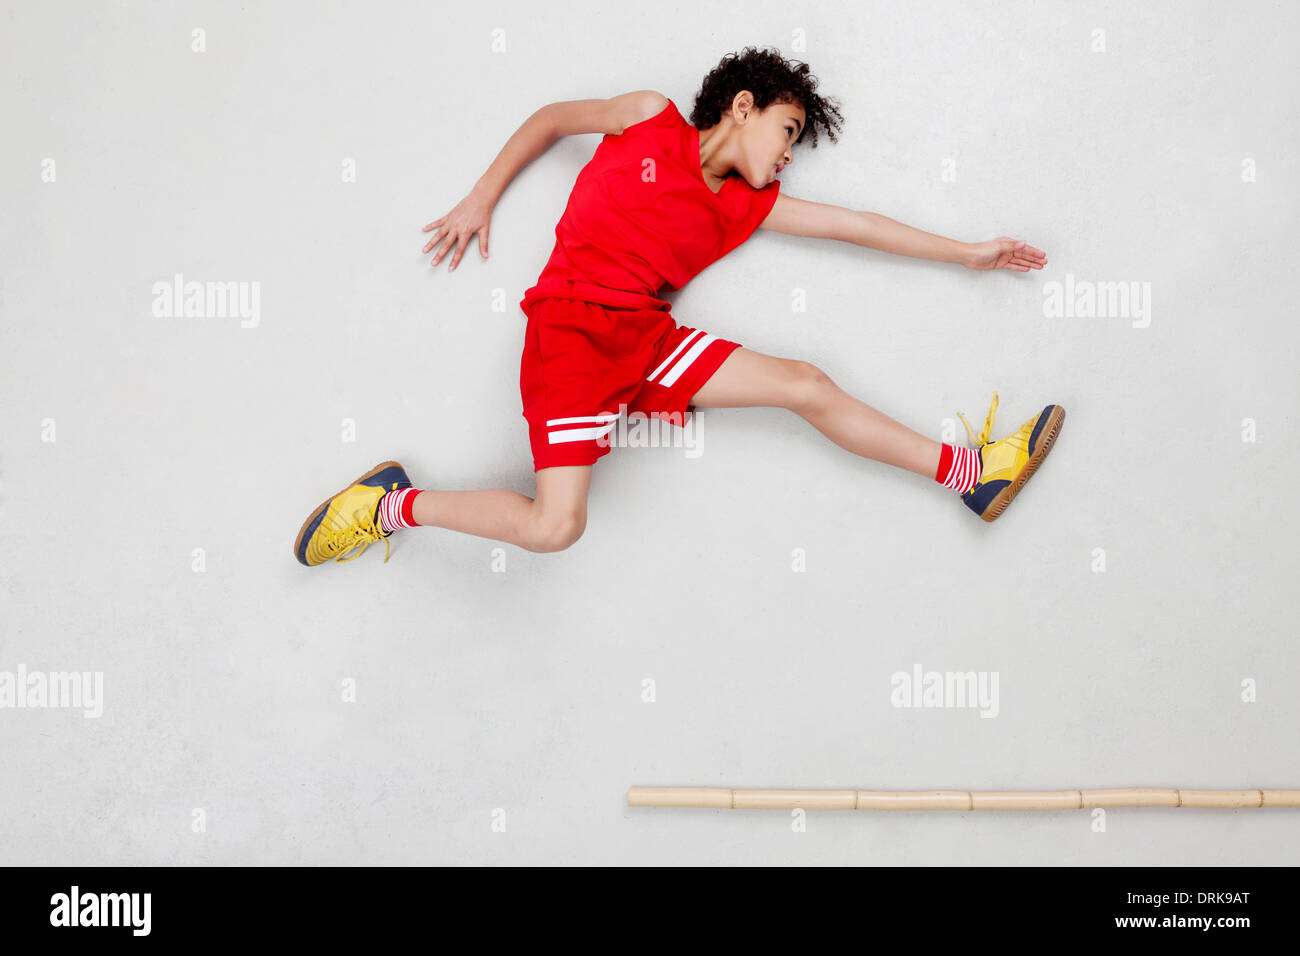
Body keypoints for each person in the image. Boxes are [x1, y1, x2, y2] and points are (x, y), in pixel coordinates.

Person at [294, 46, 1063, 567]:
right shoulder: (647, 117)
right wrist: (480, 197)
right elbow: (552, 121)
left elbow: (854, 227)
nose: (789, 154)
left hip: (644, 337)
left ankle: (972, 475)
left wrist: (968, 253)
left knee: (805, 383)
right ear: (741, 106)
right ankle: (391, 504)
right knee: (555, 527)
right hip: (569, 334)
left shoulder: (746, 206)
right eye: (787, 130)